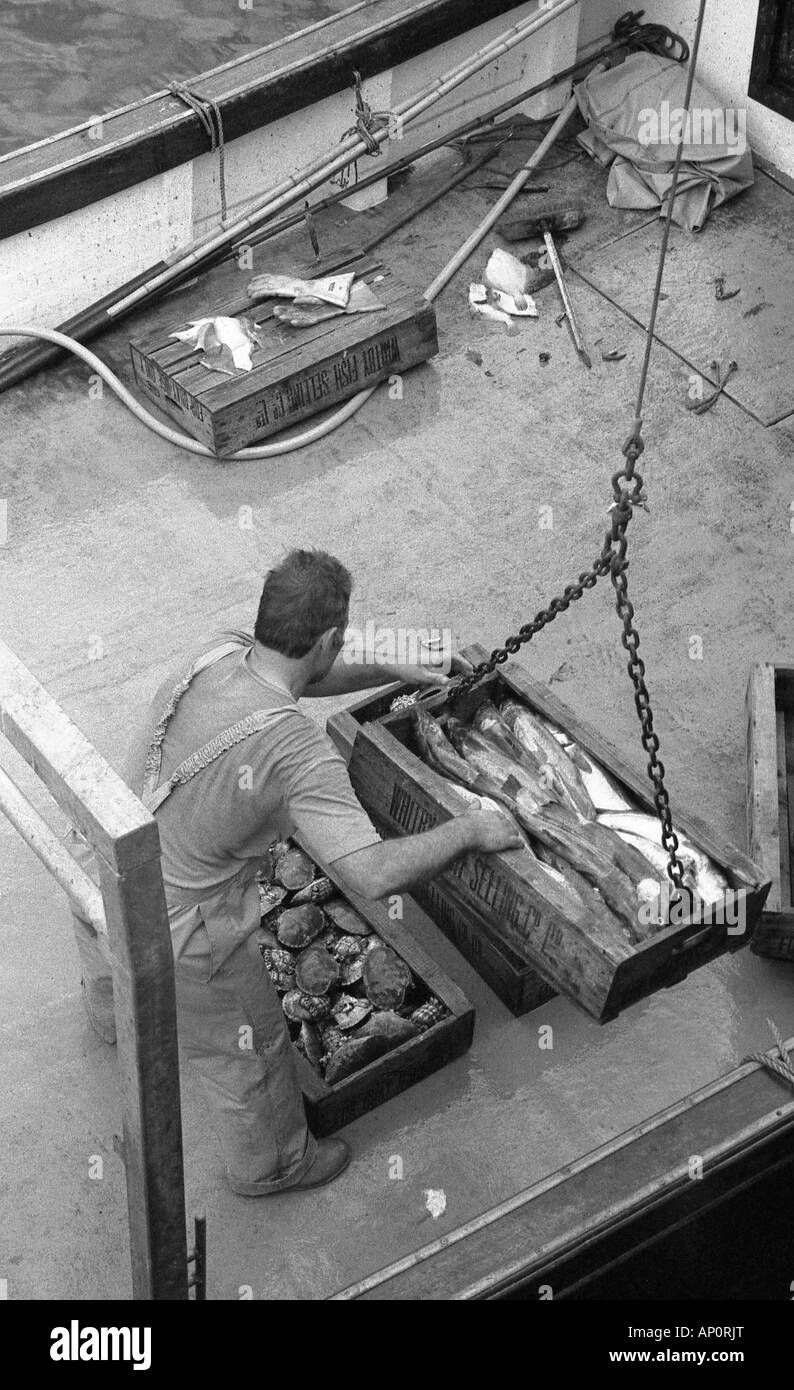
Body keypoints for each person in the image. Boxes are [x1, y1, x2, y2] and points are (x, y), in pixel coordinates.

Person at [70, 549, 520, 1195]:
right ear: (330, 637)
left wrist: (385, 660)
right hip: (171, 933)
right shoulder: (296, 752)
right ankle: (274, 1167)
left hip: (97, 861)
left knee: (111, 959)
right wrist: (469, 829)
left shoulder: (219, 651)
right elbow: (370, 874)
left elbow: (297, 672)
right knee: (247, 1052)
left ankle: (113, 1020)